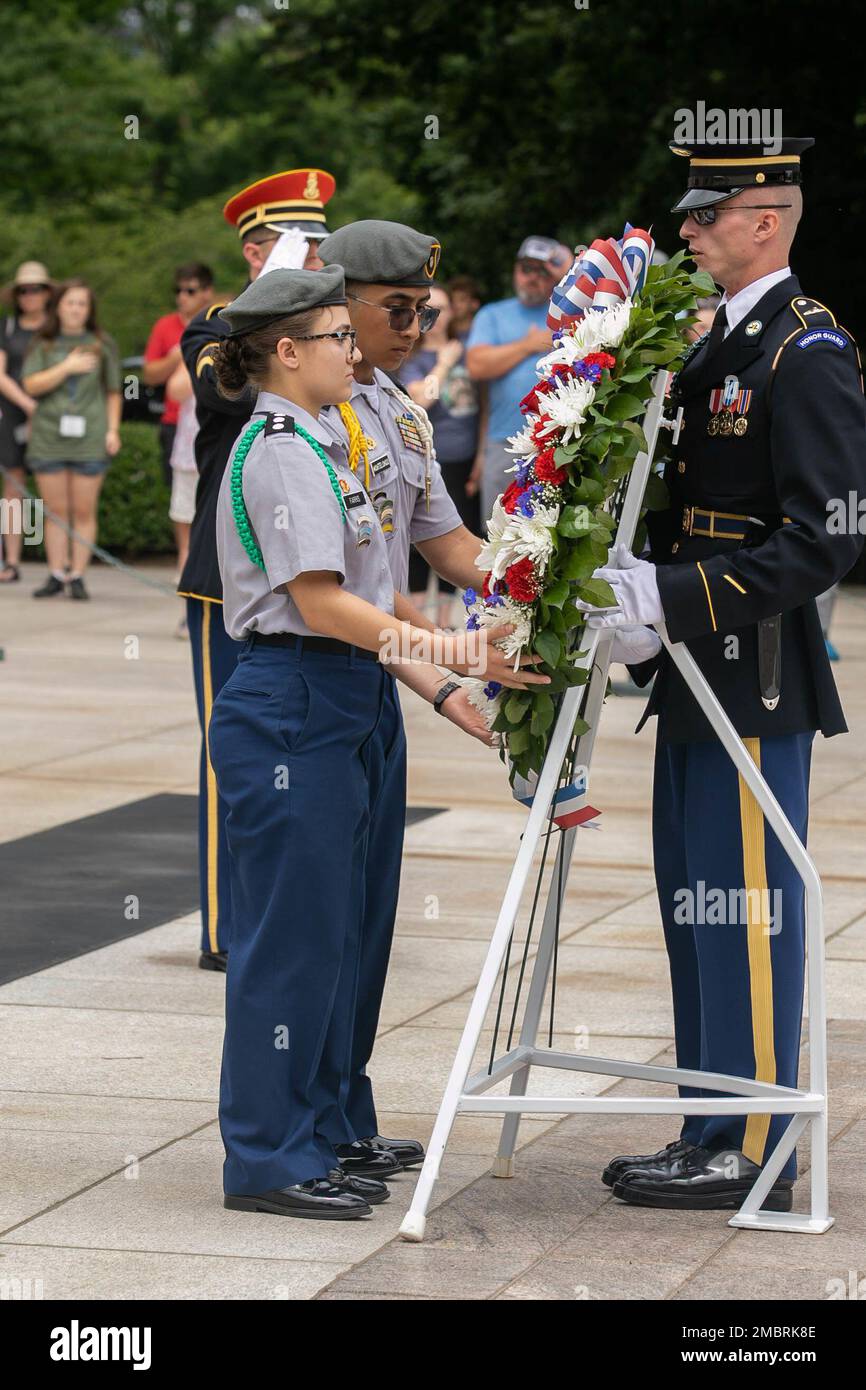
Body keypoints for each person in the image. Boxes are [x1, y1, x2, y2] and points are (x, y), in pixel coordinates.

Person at [207, 266, 545, 1219]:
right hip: (292, 695)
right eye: (336, 338)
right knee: (293, 942)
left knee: (339, 932)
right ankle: (270, 1157)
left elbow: (402, 565)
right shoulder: (280, 450)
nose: (353, 351)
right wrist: (452, 648)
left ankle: (315, 1129)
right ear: (287, 351)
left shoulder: (331, 438)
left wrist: (450, 662)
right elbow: (320, 602)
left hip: (340, 690)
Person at [579, 137, 866, 1211]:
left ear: (763, 221)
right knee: (691, 899)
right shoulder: (717, 342)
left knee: (739, 902)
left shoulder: (806, 349)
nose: (686, 232)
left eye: (705, 216)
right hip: (691, 666)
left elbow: (822, 537)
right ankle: (708, 1122)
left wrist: (672, 598)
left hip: (749, 671)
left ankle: (749, 1142)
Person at [178, 168, 336, 972]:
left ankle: (294, 913)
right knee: (232, 753)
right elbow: (235, 396)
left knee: (308, 753)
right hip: (228, 575)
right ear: (255, 249)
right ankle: (226, 927)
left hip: (316, 564)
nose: (311, 259)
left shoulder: (326, 334)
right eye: (296, 245)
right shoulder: (213, 330)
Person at [23, 278, 121, 600]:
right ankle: (55, 571)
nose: (76, 309)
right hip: (49, 435)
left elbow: (113, 391)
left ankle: (77, 574)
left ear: (89, 309)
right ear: (58, 306)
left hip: (89, 435)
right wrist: (67, 367)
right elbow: (31, 385)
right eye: (70, 302)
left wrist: (112, 430)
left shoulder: (102, 343)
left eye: (82, 303)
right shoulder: (43, 344)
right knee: (55, 510)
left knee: (83, 510)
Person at [466, 236, 573, 520]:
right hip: (504, 441)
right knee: (499, 532)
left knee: (551, 531)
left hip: (557, 443)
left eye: (543, 272)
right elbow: (477, 365)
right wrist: (528, 345)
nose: (533, 278)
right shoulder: (492, 314)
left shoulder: (567, 313)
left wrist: (567, 272)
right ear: (515, 271)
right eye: (527, 269)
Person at [401, 281, 482, 622]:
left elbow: (485, 405)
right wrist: (445, 363)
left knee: (460, 537)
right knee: (420, 549)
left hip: (464, 459)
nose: (436, 314)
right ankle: (423, 630)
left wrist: (482, 457)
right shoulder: (411, 355)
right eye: (427, 307)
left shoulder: (469, 347)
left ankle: (448, 628)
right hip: (427, 460)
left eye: (443, 307)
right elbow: (421, 398)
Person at [0, 262, 52, 583]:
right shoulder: (8, 328)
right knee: (14, 488)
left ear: (47, 293)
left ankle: (58, 565)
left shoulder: (56, 327)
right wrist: (28, 404)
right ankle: (13, 559)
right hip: (15, 411)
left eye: (35, 289)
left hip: (52, 414)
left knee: (51, 487)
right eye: (23, 291)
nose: (29, 296)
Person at [143, 264, 214, 487]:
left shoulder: (218, 323)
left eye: (190, 291)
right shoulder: (164, 325)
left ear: (207, 292)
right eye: (178, 290)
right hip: (173, 420)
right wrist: (175, 358)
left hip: (210, 420)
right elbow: (149, 375)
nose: (182, 297)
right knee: (177, 493)